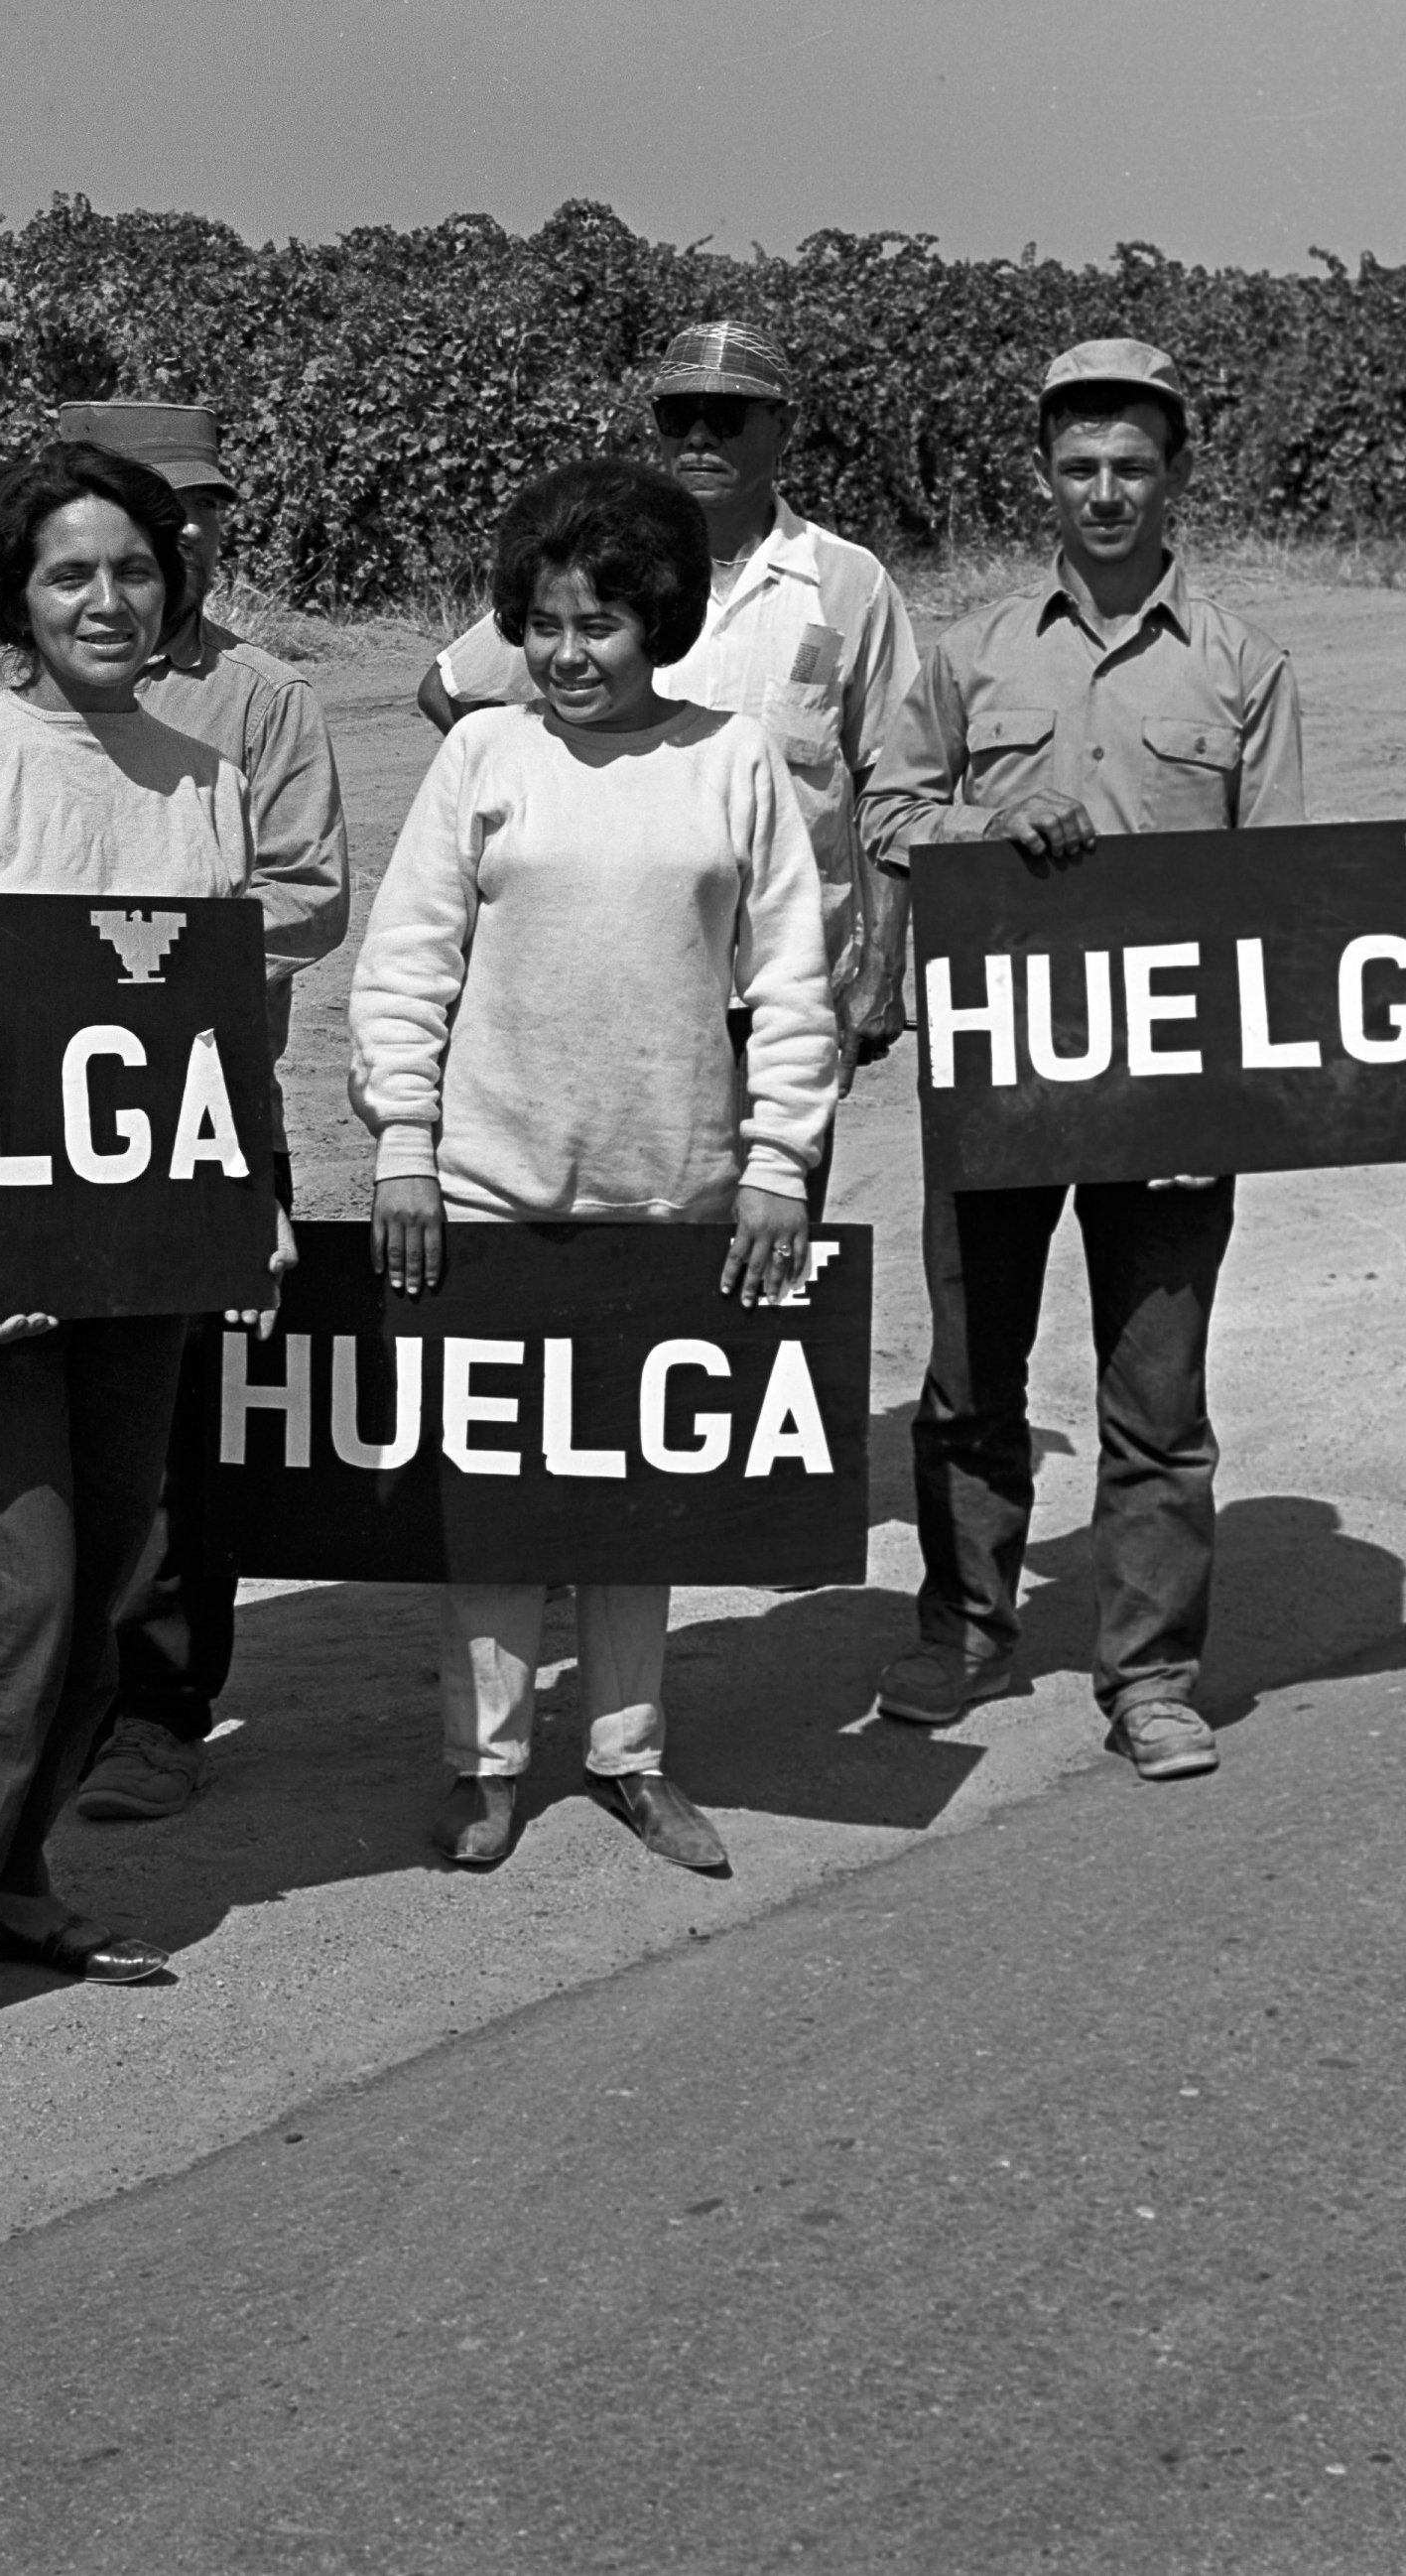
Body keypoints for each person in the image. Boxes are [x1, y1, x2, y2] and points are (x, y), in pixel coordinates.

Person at [0, 442, 284, 2079]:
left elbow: (220, 1023)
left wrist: (245, 1191)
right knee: (18, 1585)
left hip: (150, 1248)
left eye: (131, 568)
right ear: (14, 597)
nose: (107, 598)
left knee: (115, 1568)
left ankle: (17, 1874)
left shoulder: (203, 772)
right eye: (69, 573)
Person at [351, 458, 835, 1873]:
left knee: (635, 1502)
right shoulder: (481, 756)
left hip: (672, 1195)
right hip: (490, 1190)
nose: (568, 654)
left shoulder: (730, 757)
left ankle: (630, 1756)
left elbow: (791, 978)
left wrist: (776, 1162)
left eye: (601, 625)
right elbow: (405, 963)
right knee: (492, 1507)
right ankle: (484, 1766)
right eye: (545, 623)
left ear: (662, 622)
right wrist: (402, 1145)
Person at [859, 339, 1304, 1782]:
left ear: (1175, 477)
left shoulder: (1242, 664)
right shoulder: (974, 650)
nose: (1104, 492)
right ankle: (965, 1629)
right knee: (967, 1375)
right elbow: (896, 814)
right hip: (1001, 1067)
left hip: (1170, 1075)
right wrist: (1001, 825)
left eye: (1131, 466)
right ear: (1041, 477)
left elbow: (1284, 886)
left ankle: (1152, 1672)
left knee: (1156, 1400)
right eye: (1078, 467)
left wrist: (1241, 1078)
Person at [0, 401, 349, 1827]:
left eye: (187, 520)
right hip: (24, 1114)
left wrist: (162, 937)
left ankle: (161, 1706)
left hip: (197, 1097)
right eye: (125, 527)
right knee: (32, 1432)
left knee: (178, 1430)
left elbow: (306, 894)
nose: (158, 555)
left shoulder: (261, 704)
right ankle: (36, 1706)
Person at [418, 322, 921, 1129]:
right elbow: (449, 688)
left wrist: (882, 965)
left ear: (783, 427)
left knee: (777, 1221)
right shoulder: (601, 569)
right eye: (676, 413)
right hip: (619, 975)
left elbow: (894, 787)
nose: (696, 435)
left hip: (783, 984)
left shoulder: (848, 585)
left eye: (726, 416)